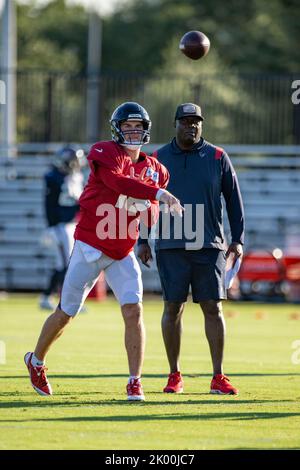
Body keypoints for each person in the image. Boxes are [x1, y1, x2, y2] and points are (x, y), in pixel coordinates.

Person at [24, 102, 183, 401]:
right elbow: (118, 182)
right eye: (128, 126)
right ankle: (37, 361)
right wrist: (157, 194)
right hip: (90, 245)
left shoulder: (157, 170)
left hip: (122, 250)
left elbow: (148, 213)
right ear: (117, 129)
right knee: (66, 313)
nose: (133, 132)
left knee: (134, 309)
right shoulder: (104, 152)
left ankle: (135, 380)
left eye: (138, 127)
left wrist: (152, 220)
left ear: (146, 130)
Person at [138, 102, 245, 395]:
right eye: (185, 121)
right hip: (170, 245)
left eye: (196, 121)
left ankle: (218, 377)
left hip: (209, 245)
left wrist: (238, 240)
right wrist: (142, 239)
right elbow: (145, 200)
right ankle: (174, 375)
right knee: (173, 307)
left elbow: (234, 200)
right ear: (175, 124)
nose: (191, 126)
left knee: (213, 307)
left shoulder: (218, 156)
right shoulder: (157, 158)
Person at [39, 146, 85, 310]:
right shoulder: (54, 177)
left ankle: (50, 297)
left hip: (72, 224)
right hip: (60, 226)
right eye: (73, 162)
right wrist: (51, 227)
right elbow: (50, 204)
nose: (76, 165)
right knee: (66, 264)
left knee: (65, 264)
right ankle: (62, 300)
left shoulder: (76, 177)